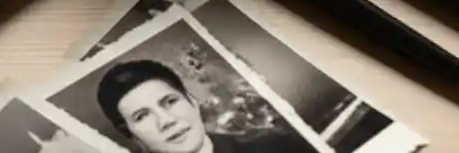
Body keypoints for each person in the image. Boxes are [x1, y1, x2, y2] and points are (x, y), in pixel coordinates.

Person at [95, 59, 314, 153]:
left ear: (192, 101)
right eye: (142, 116)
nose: (167, 121)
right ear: (129, 134)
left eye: (170, 102)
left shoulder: (276, 146)